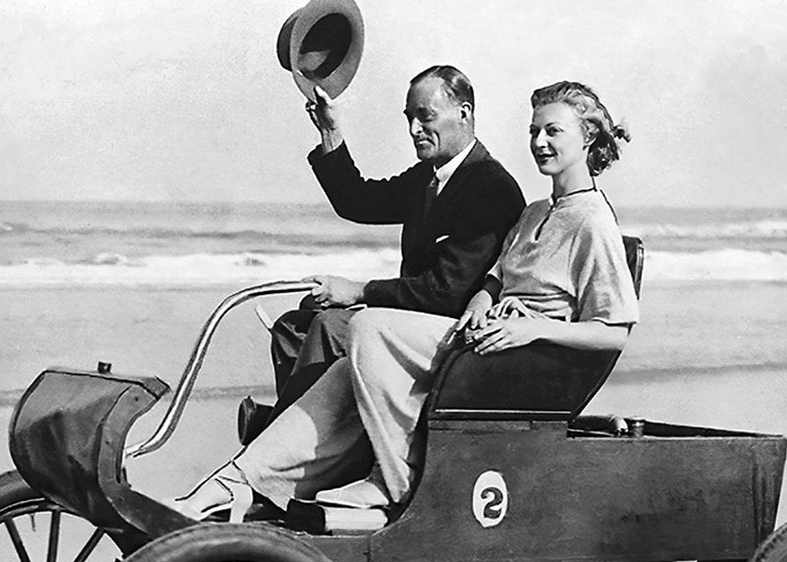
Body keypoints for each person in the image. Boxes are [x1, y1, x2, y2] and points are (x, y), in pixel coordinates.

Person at [174, 80, 638, 521]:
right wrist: (481, 304)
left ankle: (394, 478)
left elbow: (614, 331)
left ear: (588, 137)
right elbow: (494, 279)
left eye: (553, 131)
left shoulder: (592, 222)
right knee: (341, 365)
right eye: (534, 130)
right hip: (483, 341)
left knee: (366, 327)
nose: (539, 141)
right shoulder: (538, 210)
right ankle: (240, 481)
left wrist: (530, 327)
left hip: (521, 362)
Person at [266, 64, 526, 415]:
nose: (413, 129)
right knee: (294, 328)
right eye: (409, 117)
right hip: (413, 318)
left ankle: (278, 438)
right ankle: (305, 434)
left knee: (328, 327)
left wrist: (360, 291)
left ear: (463, 114)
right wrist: (330, 131)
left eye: (425, 116)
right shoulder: (430, 177)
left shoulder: (491, 187)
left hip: (452, 335)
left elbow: (448, 292)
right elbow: (358, 201)